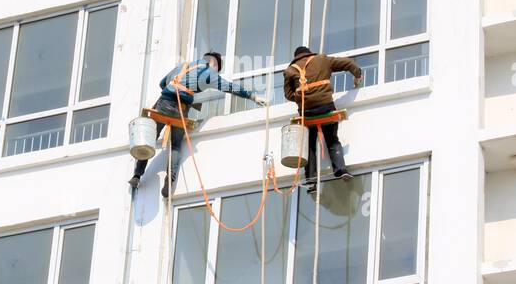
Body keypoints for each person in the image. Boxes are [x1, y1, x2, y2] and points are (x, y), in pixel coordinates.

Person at [130, 51, 267, 198]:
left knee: (149, 139)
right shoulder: (209, 73)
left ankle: (137, 176)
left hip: (165, 103)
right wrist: (253, 96)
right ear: (214, 64)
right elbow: (230, 86)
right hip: (180, 110)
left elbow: (162, 83)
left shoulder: (184, 66)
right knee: (175, 145)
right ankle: (170, 179)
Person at [283, 45, 362, 190]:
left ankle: (312, 181)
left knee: (310, 146)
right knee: (332, 139)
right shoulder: (322, 60)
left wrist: (302, 96)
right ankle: (340, 170)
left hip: (307, 113)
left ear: (296, 57)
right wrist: (358, 75)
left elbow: (288, 95)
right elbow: (348, 64)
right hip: (325, 107)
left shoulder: (290, 70)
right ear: (309, 53)